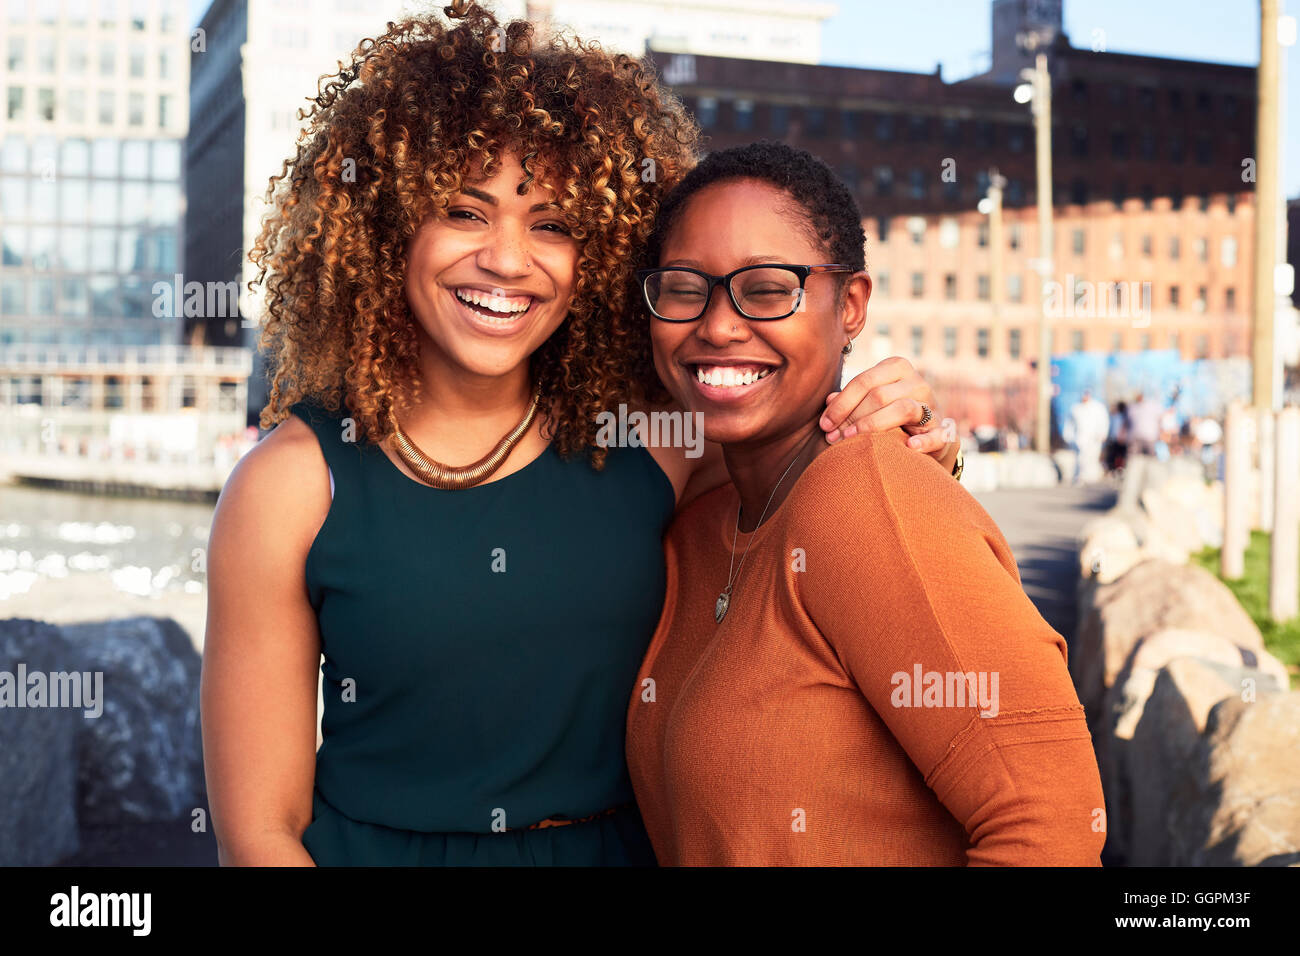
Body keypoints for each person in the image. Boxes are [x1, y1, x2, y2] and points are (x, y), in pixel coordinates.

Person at [200, 3, 956, 867]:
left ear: (597, 251)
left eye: (552, 224)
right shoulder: (291, 485)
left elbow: (839, 503)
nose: (510, 261)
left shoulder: (658, 443)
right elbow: (259, 833)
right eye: (464, 211)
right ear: (386, 226)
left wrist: (922, 435)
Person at [625, 143, 1105, 865]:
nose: (718, 326)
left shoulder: (867, 497)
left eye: (764, 288)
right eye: (686, 287)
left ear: (850, 306)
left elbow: (1051, 822)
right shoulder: (697, 525)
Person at [1065, 389, 1110, 484]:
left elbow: (1104, 421)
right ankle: (1079, 478)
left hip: (1094, 439)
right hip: (1079, 439)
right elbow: (1070, 424)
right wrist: (1068, 436)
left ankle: (1091, 479)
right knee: (1080, 459)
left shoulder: (1098, 407)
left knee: (1092, 458)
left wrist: (1103, 433)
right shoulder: (1076, 408)